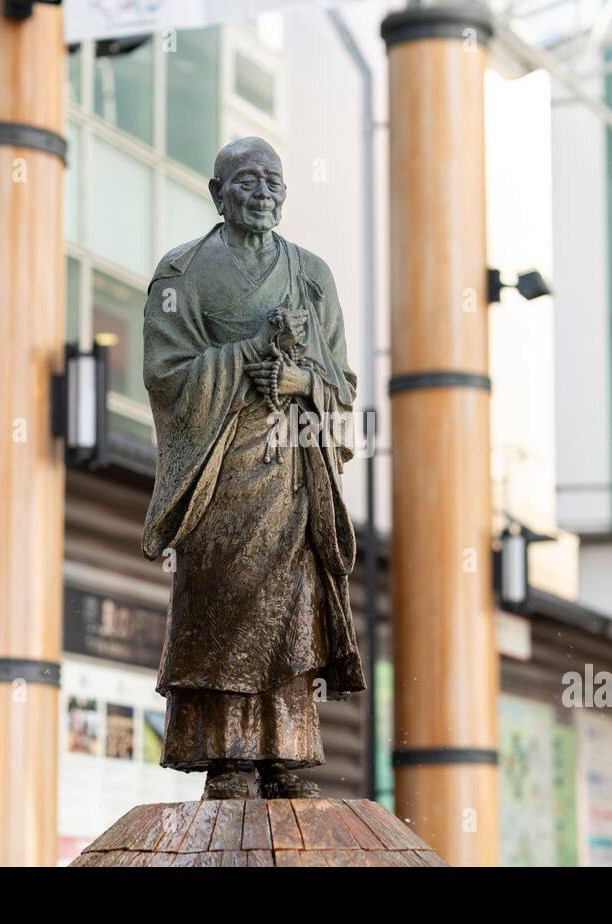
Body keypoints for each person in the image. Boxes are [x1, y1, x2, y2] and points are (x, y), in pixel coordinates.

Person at [140, 137, 365, 799]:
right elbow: (165, 374)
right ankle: (227, 757)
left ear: (286, 194)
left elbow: (341, 383)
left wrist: (297, 376)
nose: (262, 190)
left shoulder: (312, 274)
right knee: (221, 601)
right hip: (217, 466)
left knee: (291, 608)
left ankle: (284, 755)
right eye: (246, 179)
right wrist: (244, 358)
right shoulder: (181, 273)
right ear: (217, 192)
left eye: (273, 179)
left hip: (291, 468)